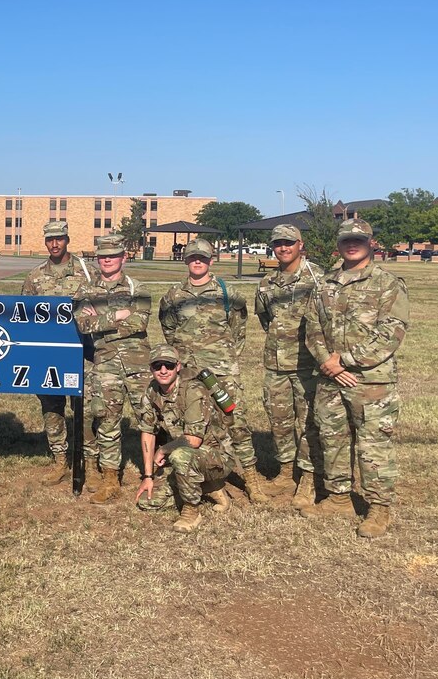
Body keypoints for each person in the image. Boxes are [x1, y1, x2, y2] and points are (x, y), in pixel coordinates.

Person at [301, 219, 410, 537]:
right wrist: (327, 361)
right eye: (346, 240)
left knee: (373, 444)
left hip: (371, 381)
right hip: (330, 377)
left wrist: (345, 360)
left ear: (370, 243)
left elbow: (391, 333)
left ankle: (378, 508)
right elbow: (312, 326)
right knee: (332, 437)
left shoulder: (387, 283)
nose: (352, 244)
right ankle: (338, 498)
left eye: (358, 240)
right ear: (338, 244)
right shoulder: (326, 283)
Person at [158, 237, 266, 502]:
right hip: (189, 372)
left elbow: (238, 329)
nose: (197, 262)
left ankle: (250, 478)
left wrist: (225, 356)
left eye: (203, 258)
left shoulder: (228, 293)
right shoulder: (173, 295)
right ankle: (202, 475)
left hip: (222, 369)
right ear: (186, 260)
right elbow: (169, 329)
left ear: (211, 260)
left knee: (235, 421)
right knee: (192, 422)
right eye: (193, 257)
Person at [72, 234, 151, 504]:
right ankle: (110, 479)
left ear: (123, 258)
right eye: (103, 256)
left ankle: (155, 471)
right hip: (105, 363)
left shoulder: (137, 288)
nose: (107, 260)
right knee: (107, 420)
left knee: (149, 417)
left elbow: (139, 323)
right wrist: (119, 315)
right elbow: (83, 325)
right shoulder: (85, 291)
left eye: (113, 255)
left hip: (138, 363)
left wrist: (102, 319)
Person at [254, 224, 325, 508]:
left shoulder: (317, 277)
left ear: (300, 244)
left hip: (308, 364)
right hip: (275, 364)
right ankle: (286, 472)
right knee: (279, 421)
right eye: (277, 243)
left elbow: (328, 318)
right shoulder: (267, 283)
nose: (283, 248)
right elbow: (265, 319)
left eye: (288, 242)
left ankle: (308, 477)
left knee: (309, 422)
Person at [133, 345, 237, 533]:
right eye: (157, 366)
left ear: (178, 367)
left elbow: (193, 440)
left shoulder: (193, 390)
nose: (163, 371)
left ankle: (191, 511)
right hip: (187, 456)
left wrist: (163, 450)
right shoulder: (152, 391)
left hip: (217, 457)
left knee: (179, 455)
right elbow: (148, 431)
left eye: (168, 365)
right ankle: (208, 487)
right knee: (148, 501)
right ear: (151, 368)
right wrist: (148, 476)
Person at [21, 220, 93, 485]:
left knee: (86, 408)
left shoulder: (87, 273)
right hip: (49, 354)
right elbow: (24, 316)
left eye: (59, 239)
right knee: (52, 406)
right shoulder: (35, 277)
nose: (54, 244)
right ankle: (60, 459)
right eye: (50, 239)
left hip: (82, 353)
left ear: (67, 239)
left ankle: (89, 461)